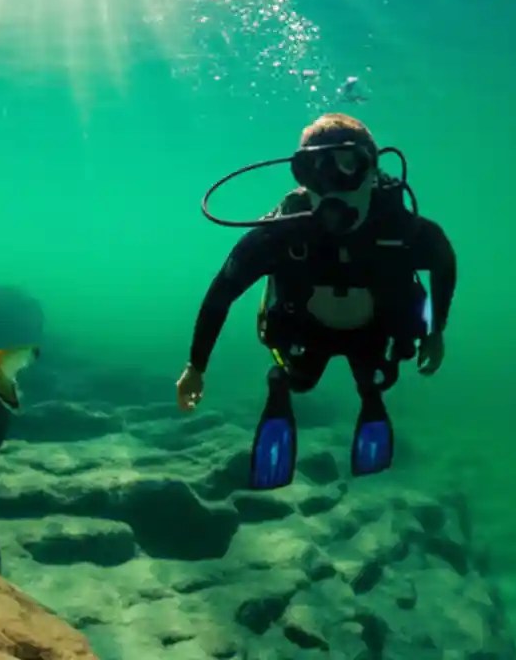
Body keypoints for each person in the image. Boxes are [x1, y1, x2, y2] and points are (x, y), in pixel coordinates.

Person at [176, 113, 457, 489]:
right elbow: (222, 291)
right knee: (300, 381)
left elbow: (444, 265)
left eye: (348, 165)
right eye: (314, 169)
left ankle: (369, 397)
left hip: (372, 331)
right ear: (301, 175)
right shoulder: (279, 234)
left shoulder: (404, 231)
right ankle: (281, 386)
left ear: (373, 170)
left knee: (377, 377)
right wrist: (196, 364)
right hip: (305, 330)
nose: (332, 186)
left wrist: (435, 331)